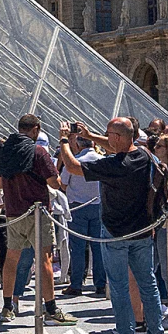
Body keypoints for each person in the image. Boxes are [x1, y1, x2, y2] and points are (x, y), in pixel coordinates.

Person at [57, 116, 166, 334]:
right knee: (148, 284)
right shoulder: (145, 156)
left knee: (119, 287)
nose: (106, 139)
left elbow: (73, 167)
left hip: (116, 232)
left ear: (117, 137)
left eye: (109, 135)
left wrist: (64, 140)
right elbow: (119, 145)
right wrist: (91, 136)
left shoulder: (113, 166)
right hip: (143, 230)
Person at [0, 115, 73, 323]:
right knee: (44, 259)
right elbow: (55, 183)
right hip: (37, 212)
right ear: (35, 129)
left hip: (13, 212)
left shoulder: (5, 150)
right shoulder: (38, 152)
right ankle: (51, 308)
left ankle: (7, 306)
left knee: (11, 258)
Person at [61, 123, 107, 299]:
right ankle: (100, 283)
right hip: (98, 205)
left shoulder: (74, 161)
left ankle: (76, 284)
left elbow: (63, 183)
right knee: (98, 246)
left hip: (77, 207)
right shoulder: (102, 160)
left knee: (78, 248)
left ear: (78, 144)